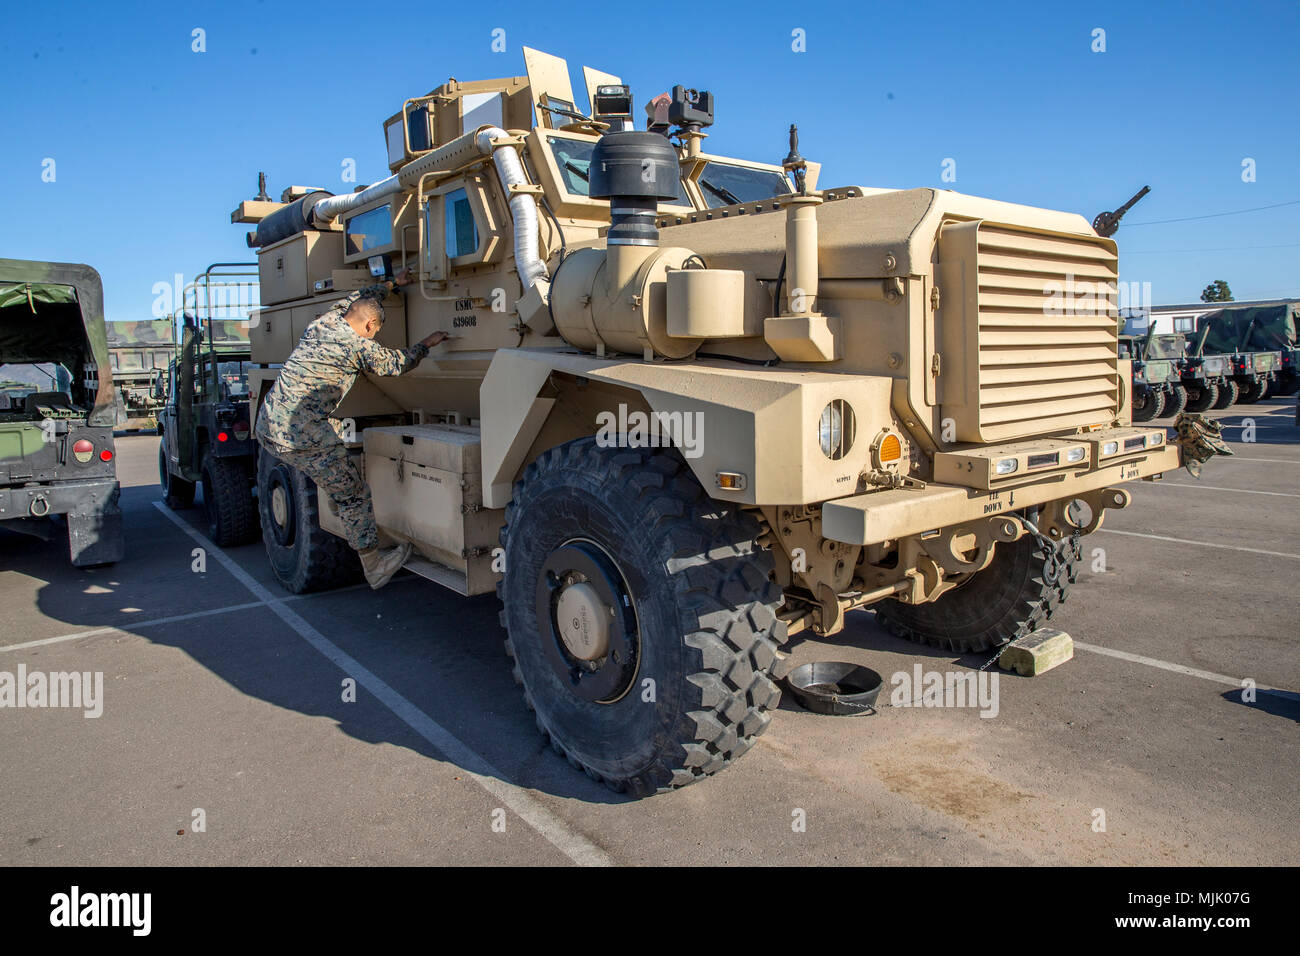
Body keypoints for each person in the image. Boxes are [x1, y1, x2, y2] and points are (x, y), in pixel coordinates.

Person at [255, 268, 449, 588]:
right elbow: (397, 363)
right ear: (370, 325)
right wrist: (428, 343)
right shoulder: (357, 347)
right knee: (354, 494)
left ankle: (335, 490)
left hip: (267, 424)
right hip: (301, 434)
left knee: (334, 447)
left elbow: (361, 298)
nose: (373, 336)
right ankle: (374, 567)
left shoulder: (325, 321)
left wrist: (392, 283)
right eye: (374, 331)